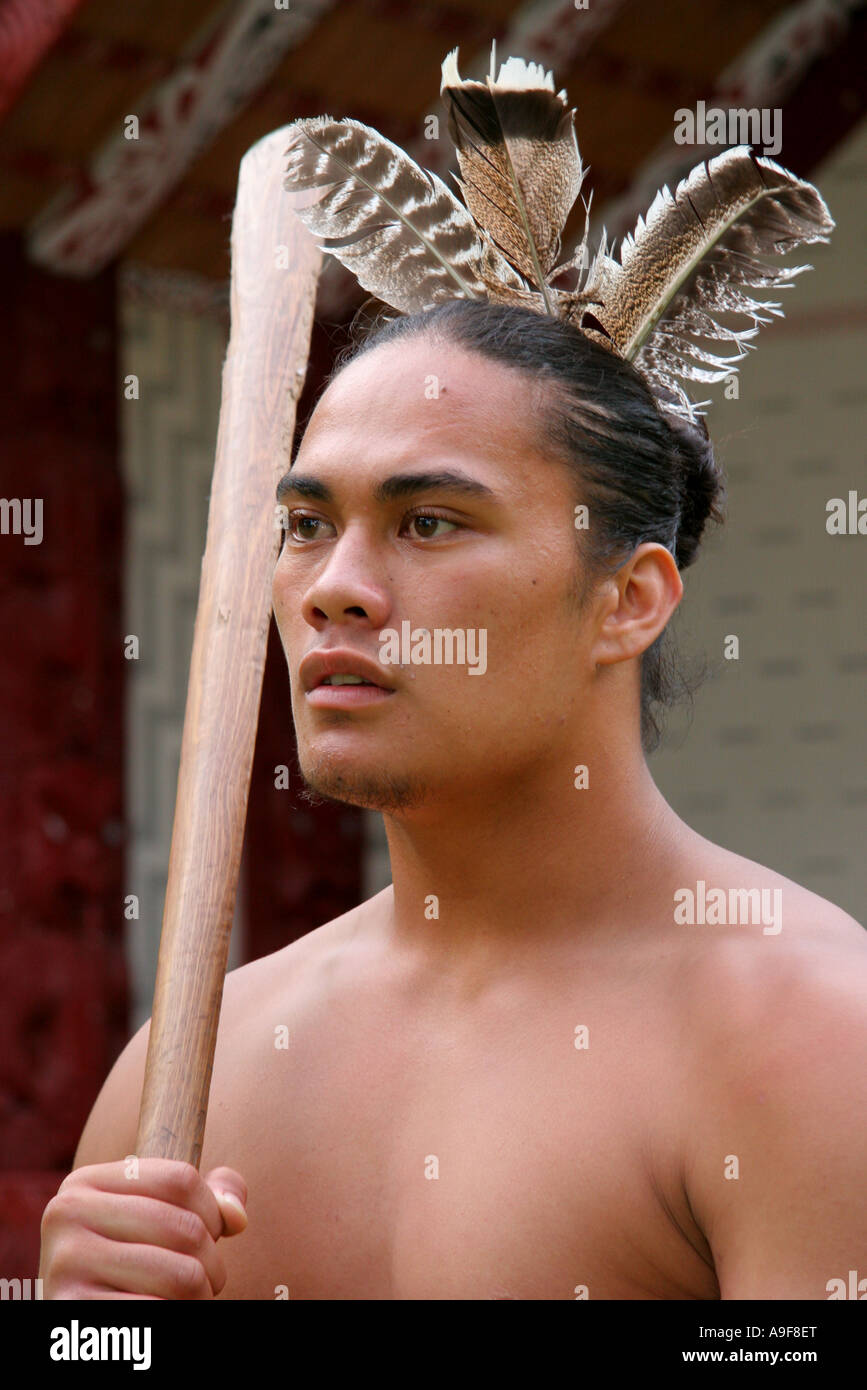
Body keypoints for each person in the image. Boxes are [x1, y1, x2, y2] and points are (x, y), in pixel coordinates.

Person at [39, 299, 867, 1300]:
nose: (332, 588)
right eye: (305, 525)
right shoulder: (194, 1075)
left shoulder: (810, 1042)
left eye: (428, 522)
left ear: (628, 600)